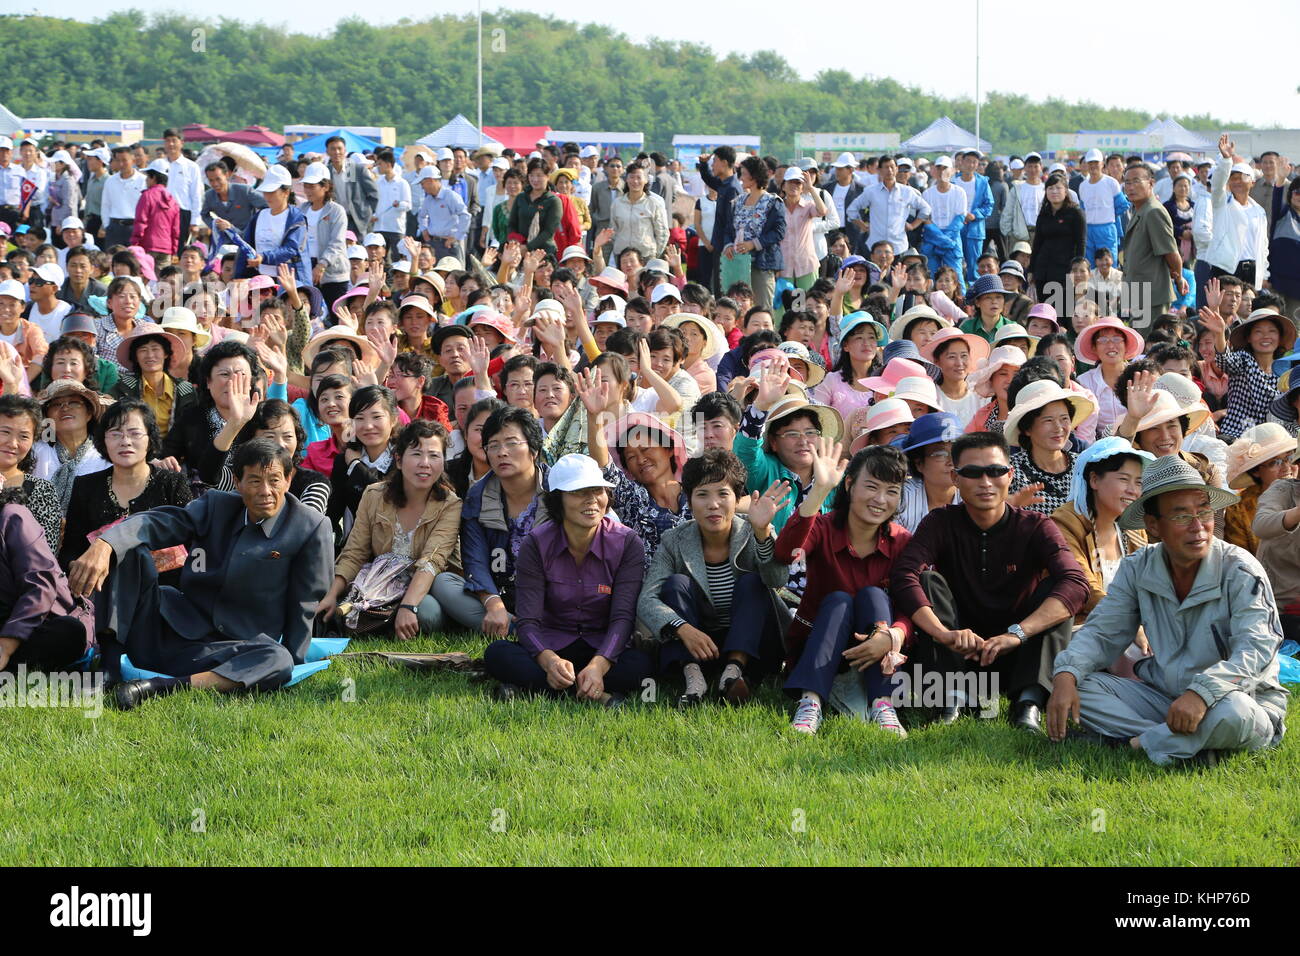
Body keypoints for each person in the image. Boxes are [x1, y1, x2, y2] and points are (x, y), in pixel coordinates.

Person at [1048, 456, 1287, 766]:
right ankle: (1186, 745)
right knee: (1080, 685)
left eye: (1203, 511)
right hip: (1166, 696)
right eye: (1181, 516)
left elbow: (1255, 649)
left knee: (1235, 714)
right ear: (1153, 525)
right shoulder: (1138, 567)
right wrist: (1065, 674)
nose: (1199, 527)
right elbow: (1102, 632)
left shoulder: (1240, 568)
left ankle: (1135, 745)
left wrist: (1203, 692)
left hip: (1237, 698)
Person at [68, 438, 334, 707]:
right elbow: (159, 522)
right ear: (237, 482)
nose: (265, 491)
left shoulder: (310, 527)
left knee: (278, 659)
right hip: (169, 630)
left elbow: (304, 602)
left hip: (230, 650)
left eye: (274, 480)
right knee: (127, 546)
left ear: (289, 479)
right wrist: (107, 543)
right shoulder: (216, 505)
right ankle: (110, 669)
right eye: (254, 481)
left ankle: (161, 687)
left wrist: (291, 666)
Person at [891, 430, 1089, 731]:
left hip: (1019, 656)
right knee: (928, 580)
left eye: (995, 471)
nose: (985, 482)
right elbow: (904, 574)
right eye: (973, 473)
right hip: (956, 654)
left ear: (1010, 474)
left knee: (1058, 593)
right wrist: (944, 633)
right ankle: (950, 699)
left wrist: (1016, 634)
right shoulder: (940, 522)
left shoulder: (1036, 525)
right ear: (956, 478)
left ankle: (1029, 702)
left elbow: (1076, 583)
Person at [483, 453, 652, 703]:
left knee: (641, 665)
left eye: (598, 491)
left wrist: (598, 666)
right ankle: (598, 695)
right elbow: (528, 621)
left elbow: (622, 618)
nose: (592, 500)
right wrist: (549, 661)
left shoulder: (627, 543)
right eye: (579, 492)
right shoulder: (536, 543)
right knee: (497, 653)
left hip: (603, 648)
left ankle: (539, 690)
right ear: (557, 501)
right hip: (553, 644)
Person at [778, 441, 912, 735]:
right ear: (849, 484)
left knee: (873, 596)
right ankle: (810, 703)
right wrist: (819, 491)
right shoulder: (824, 526)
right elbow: (785, 553)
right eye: (872, 487)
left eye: (892, 491)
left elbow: (911, 604)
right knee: (839, 600)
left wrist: (894, 634)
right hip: (818, 645)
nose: (880, 499)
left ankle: (884, 705)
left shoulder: (901, 541)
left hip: (876, 650)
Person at [637, 449, 790, 705]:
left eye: (723, 494)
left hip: (751, 642)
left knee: (752, 582)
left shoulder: (754, 530)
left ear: (737, 498)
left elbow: (777, 580)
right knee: (676, 584)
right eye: (702, 495)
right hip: (699, 643)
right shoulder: (674, 540)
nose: (713, 504)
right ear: (689, 499)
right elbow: (647, 599)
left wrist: (763, 532)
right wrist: (682, 628)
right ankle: (693, 678)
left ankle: (733, 673)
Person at [318, 420, 460, 638]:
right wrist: (332, 593)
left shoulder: (450, 504)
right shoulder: (374, 495)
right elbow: (355, 552)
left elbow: (433, 559)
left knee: (427, 613)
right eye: (416, 454)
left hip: (423, 587)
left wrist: (408, 606)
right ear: (399, 460)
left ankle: (383, 620)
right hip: (379, 583)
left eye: (434, 455)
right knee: (331, 601)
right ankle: (373, 620)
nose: (425, 463)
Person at [432, 405, 548, 636]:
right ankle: (510, 624)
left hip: (553, 597)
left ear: (533, 449)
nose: (501, 452)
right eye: (493, 446)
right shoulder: (478, 495)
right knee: (444, 583)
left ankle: (526, 626)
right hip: (503, 596)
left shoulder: (558, 489)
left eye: (512, 443)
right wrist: (493, 603)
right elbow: (475, 559)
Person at [59, 397, 193, 573]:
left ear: (150, 439)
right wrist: (78, 567)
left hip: (164, 591)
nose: (125, 441)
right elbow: (70, 550)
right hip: (103, 591)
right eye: (115, 434)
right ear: (104, 442)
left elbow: (192, 542)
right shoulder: (85, 486)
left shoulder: (172, 483)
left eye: (134, 433)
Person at [1049, 437, 1152, 635]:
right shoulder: (1065, 522)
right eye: (1123, 479)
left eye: (1138, 482)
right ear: (1094, 479)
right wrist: (1128, 623)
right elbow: (1084, 586)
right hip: (1083, 629)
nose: (1132, 490)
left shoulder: (1133, 527)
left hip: (1134, 626)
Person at [0, 486, 95, 675]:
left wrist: (5, 646)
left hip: (40, 621)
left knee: (69, 632)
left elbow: (40, 584)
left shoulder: (12, 516)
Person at [736, 368, 844, 533]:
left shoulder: (835, 478)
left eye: (810, 433)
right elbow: (745, 451)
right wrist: (761, 406)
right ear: (773, 442)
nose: (803, 441)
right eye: (792, 434)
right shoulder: (766, 471)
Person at [1197, 306, 1292, 442]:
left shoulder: (1285, 369)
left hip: (1273, 438)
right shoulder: (1243, 359)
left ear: (1280, 337)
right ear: (1249, 337)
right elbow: (1225, 361)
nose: (1266, 336)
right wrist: (1219, 334)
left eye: (1272, 331)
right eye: (1258, 332)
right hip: (1238, 436)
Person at [1003, 380, 1096, 515]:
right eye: (1048, 420)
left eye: (1064, 419)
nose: (1058, 428)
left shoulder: (1083, 466)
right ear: (1027, 428)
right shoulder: (1011, 471)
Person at [1118, 163, 1186, 330]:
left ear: (1151, 183)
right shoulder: (1139, 209)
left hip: (1151, 295)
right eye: (1127, 182)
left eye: (1136, 181)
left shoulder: (1153, 211)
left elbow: (1170, 252)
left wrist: (1178, 277)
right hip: (1139, 293)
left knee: (1151, 345)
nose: (1131, 187)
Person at [327, 384, 399, 539]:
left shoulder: (402, 459)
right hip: (353, 550)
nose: (368, 426)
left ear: (393, 419)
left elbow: (383, 501)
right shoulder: (343, 460)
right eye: (359, 418)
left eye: (377, 417)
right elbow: (332, 513)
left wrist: (356, 466)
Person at [1203, 134, 1269, 291]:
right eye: (1233, 178)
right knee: (1224, 309)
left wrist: (1264, 273)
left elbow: (1263, 245)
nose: (1237, 181)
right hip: (1226, 268)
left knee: (1248, 311)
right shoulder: (1222, 203)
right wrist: (1226, 160)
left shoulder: (1258, 211)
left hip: (1252, 270)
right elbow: (1218, 184)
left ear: (1252, 182)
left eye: (1241, 177)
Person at [32, 377, 109, 511]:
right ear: (47, 416)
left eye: (74, 403)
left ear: (89, 413)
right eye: (56, 404)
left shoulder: (106, 453)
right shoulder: (35, 451)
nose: (65, 408)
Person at [720, 156, 786, 310]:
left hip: (761, 263)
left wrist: (753, 244)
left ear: (754, 176)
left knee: (762, 307)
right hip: (737, 263)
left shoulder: (773, 202)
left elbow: (779, 232)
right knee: (735, 307)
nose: (741, 178)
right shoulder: (738, 202)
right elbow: (729, 229)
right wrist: (729, 244)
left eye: (743, 173)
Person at [109, 322, 195, 440]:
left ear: (165, 353)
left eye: (155, 349)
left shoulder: (186, 390)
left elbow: (191, 432)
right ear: (136, 356)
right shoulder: (123, 388)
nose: (150, 355)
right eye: (143, 350)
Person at [0, 394, 63, 553]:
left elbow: (45, 555)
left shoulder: (43, 491)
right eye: (5, 432)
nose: (13, 443)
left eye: (23, 436)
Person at [1222, 422, 1296, 554]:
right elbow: (1242, 562)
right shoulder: (1239, 509)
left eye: (1289, 458)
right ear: (1256, 471)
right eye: (1275, 462)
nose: (1286, 467)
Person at [1075, 318, 1144, 434]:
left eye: (1117, 339)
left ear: (1126, 345)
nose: (1111, 345)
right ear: (1094, 347)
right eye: (1103, 340)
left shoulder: (1138, 377)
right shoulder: (1083, 382)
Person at [896, 411, 962, 531]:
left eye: (956, 452)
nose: (951, 461)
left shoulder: (976, 495)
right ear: (919, 463)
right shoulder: (900, 499)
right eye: (940, 453)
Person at [298, 162, 351, 309]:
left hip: (332, 272)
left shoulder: (336, 211)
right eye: (306, 186)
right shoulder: (302, 210)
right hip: (308, 269)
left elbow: (337, 242)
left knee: (336, 314)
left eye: (312, 186)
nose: (307, 190)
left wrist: (321, 265)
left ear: (325, 187)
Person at [1028, 173, 1085, 303]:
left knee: (1063, 310)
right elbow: (1037, 243)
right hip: (1043, 269)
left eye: (1058, 188)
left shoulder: (1075, 213)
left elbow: (1081, 242)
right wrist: (1032, 269)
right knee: (1044, 308)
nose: (1054, 191)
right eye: (1050, 188)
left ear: (1066, 191)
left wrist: (1077, 270)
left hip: (1065, 269)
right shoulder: (1044, 214)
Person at [129, 160, 181, 268]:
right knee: (163, 282)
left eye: (148, 177)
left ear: (153, 177)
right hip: (166, 248)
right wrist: (173, 249)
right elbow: (175, 230)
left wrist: (135, 244)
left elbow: (140, 222)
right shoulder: (173, 201)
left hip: (147, 246)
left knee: (145, 279)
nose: (146, 180)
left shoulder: (147, 196)